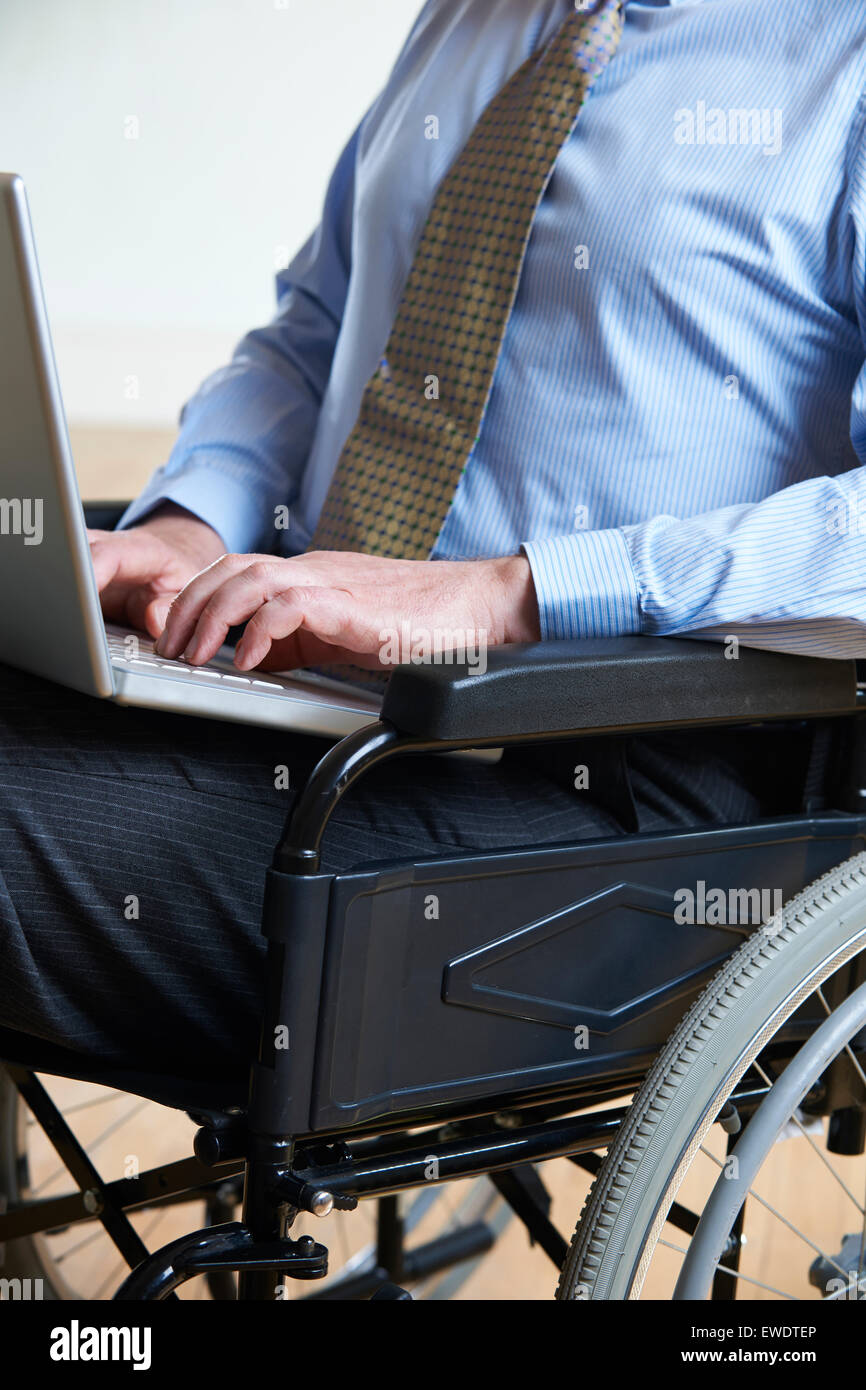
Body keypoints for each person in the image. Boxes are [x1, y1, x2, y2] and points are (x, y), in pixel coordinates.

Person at [1, 0, 863, 1091]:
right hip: (302, 697)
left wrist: (504, 595)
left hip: (623, 794)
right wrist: (191, 525)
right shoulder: (472, 16)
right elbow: (313, 332)